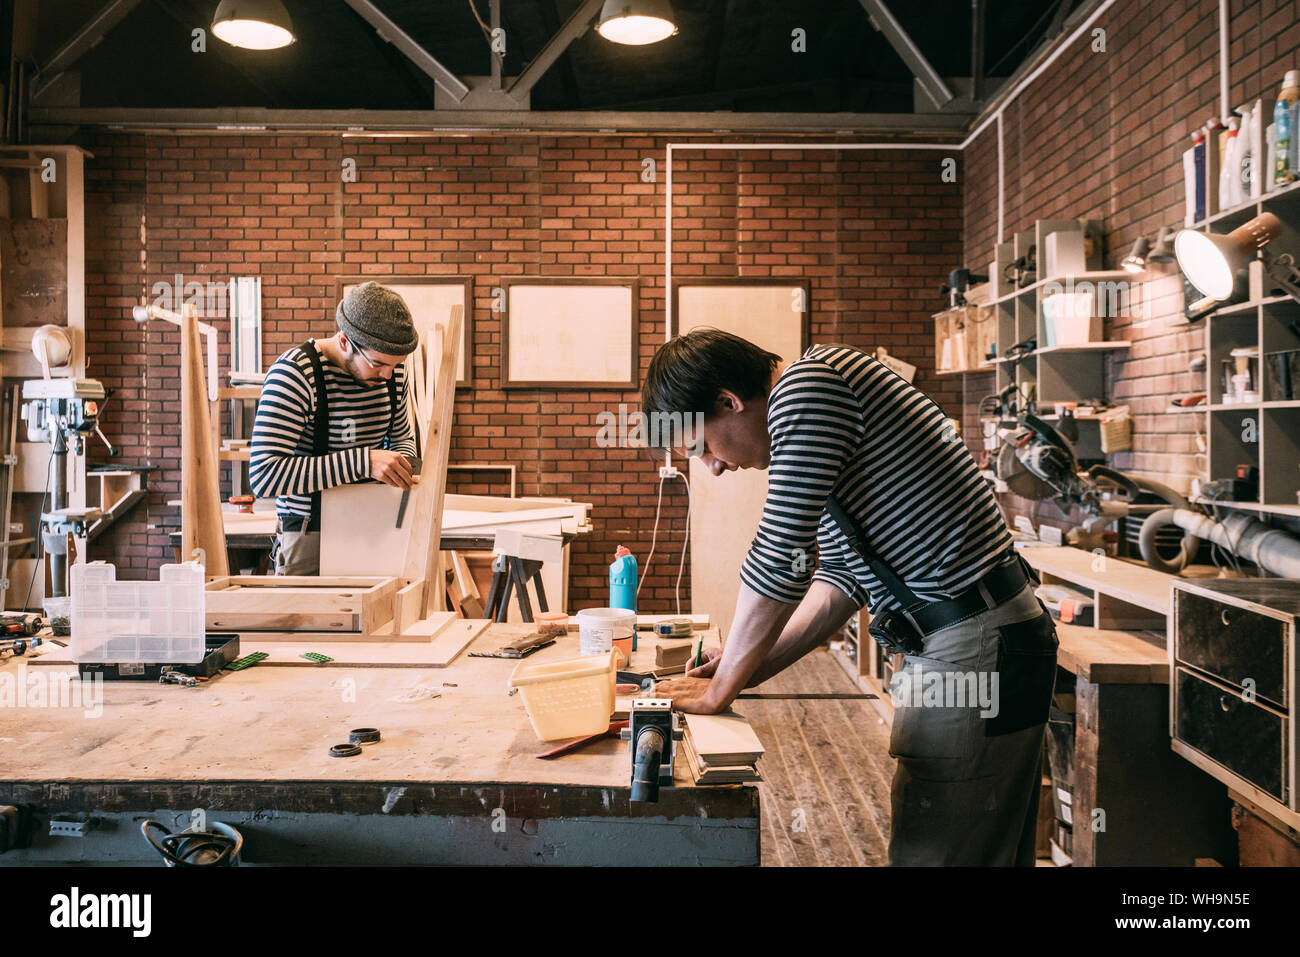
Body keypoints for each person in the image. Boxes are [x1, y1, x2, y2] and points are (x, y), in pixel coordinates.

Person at [643, 328, 1058, 866]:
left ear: (728, 400)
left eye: (702, 447)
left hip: (974, 639)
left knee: (936, 852)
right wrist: (739, 672)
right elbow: (841, 579)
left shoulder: (808, 388)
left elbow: (779, 551)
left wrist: (720, 689)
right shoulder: (826, 407)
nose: (715, 468)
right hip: (977, 636)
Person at [250, 282, 420, 575]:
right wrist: (364, 462)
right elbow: (264, 476)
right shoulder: (295, 374)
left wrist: (403, 463)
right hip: (310, 534)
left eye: (396, 364)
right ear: (344, 342)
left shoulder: (392, 371)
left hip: (375, 525)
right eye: (378, 364)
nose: (388, 375)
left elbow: (401, 435)